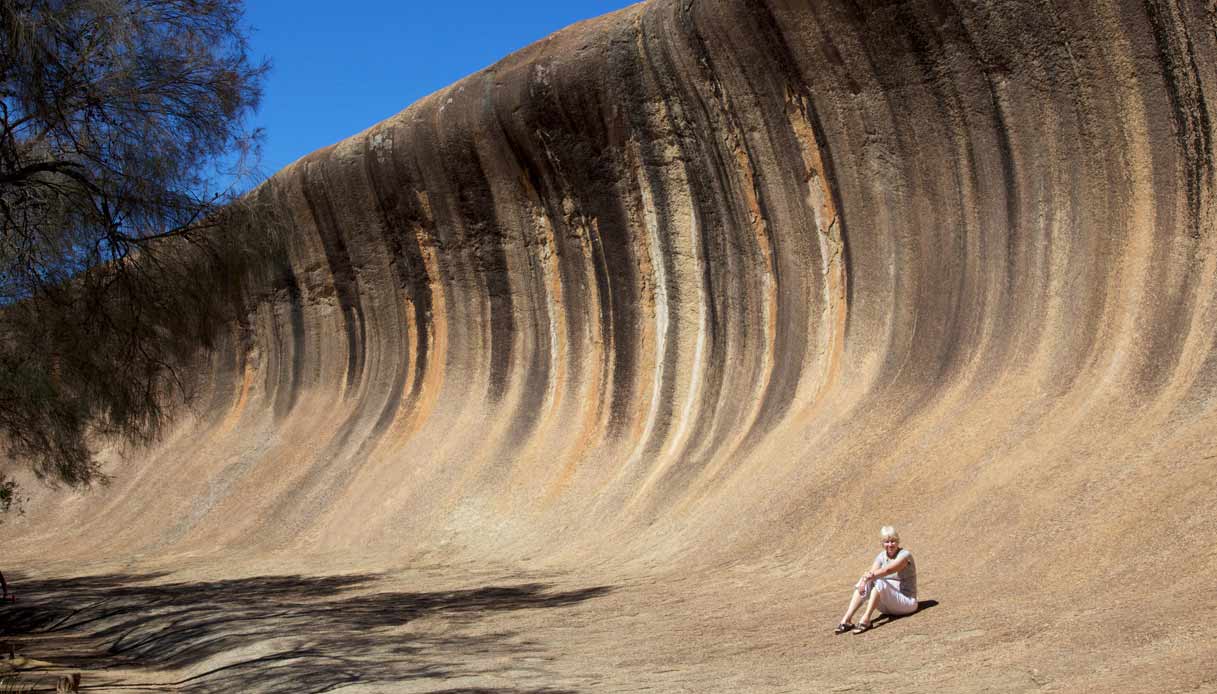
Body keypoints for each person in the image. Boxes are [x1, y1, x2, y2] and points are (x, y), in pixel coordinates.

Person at [835, 525, 917, 634]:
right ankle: (846, 620)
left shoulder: (905, 555)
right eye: (887, 542)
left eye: (893, 541)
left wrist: (867, 577)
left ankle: (866, 620)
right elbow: (871, 573)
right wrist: (864, 580)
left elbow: (888, 570)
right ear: (882, 543)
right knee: (868, 579)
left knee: (877, 580)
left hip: (906, 603)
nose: (890, 544)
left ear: (898, 541)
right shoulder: (881, 556)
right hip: (887, 606)